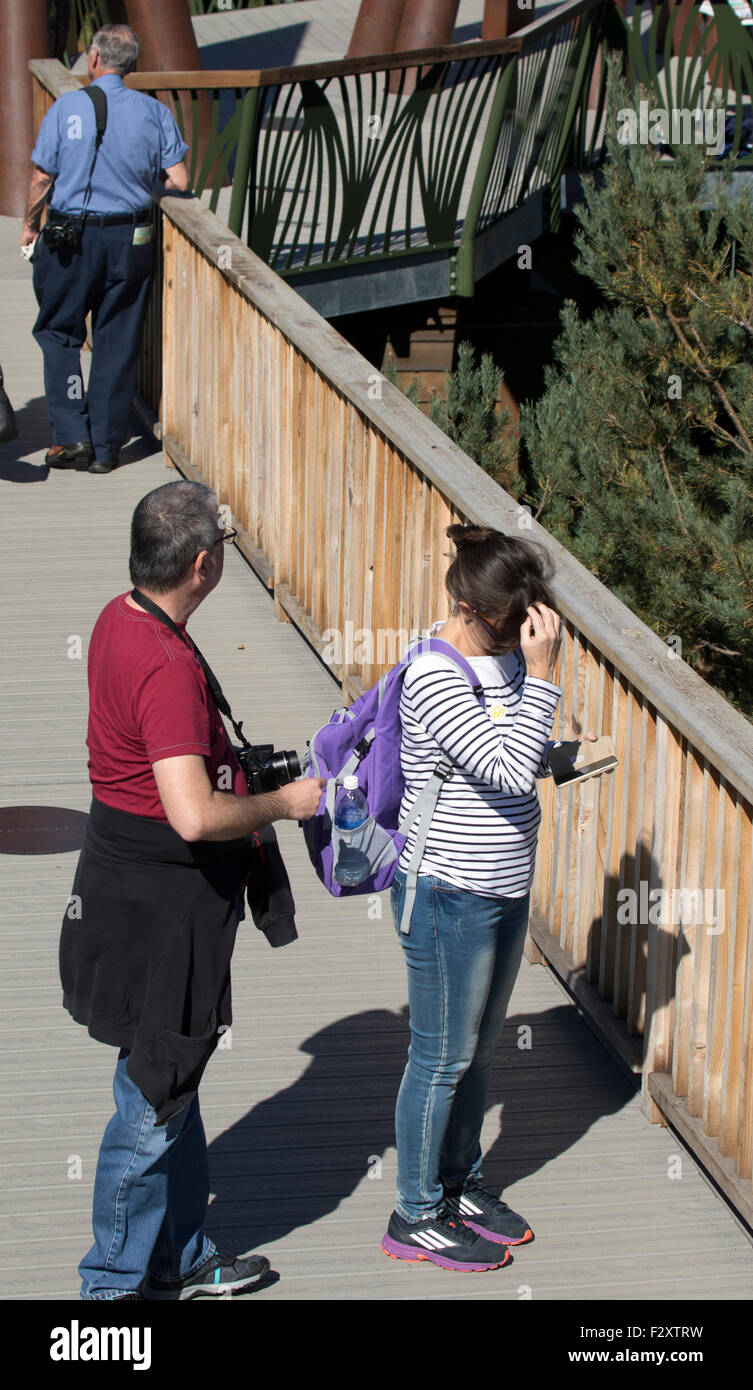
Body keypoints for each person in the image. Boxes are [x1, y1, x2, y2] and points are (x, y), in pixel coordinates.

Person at [60, 479, 325, 1299]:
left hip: (115, 884)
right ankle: (108, 1295)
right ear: (204, 565)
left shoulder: (119, 615)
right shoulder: (167, 663)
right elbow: (191, 813)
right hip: (162, 916)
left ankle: (182, 1253)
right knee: (150, 1099)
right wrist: (284, 803)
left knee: (171, 1079)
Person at [381, 523, 601, 1273]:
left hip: (503, 884)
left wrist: (562, 754)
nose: (518, 645)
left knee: (476, 1052)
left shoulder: (496, 657)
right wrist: (542, 676)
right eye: (511, 632)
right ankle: (413, 1212)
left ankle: (459, 1183)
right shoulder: (432, 675)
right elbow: (503, 772)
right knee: (440, 1056)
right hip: (446, 892)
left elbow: (510, 750)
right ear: (474, 610)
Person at [20, 24, 190, 474]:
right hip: (130, 237)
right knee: (116, 340)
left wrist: (29, 227)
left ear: (94, 57)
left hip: (70, 237)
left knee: (59, 331)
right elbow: (180, 180)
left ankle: (71, 434)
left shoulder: (68, 107)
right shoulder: (153, 111)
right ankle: (106, 448)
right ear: (130, 63)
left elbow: (42, 177)